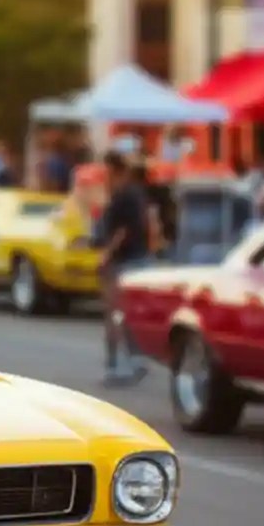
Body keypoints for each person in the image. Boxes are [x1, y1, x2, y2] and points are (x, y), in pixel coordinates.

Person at [96, 152, 151, 387]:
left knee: (115, 313)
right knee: (125, 313)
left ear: (115, 170)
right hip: (136, 257)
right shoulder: (133, 193)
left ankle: (116, 365)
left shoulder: (124, 195)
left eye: (107, 171)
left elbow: (122, 231)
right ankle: (133, 360)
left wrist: (107, 255)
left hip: (124, 260)